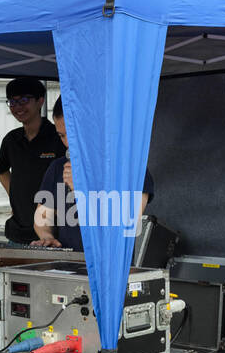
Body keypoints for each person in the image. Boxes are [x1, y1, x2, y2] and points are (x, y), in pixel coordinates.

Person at [32, 98, 154, 250]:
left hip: (108, 266)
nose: (68, 143)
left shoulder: (129, 169)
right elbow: (42, 215)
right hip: (67, 265)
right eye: (62, 136)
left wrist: (81, 191)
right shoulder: (58, 167)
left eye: (73, 134)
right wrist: (46, 236)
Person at [0, 77, 65, 243]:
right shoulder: (11, 140)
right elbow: (2, 171)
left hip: (50, 234)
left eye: (24, 100)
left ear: (40, 101)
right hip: (17, 232)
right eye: (12, 102)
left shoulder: (58, 137)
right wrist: (16, 198)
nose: (18, 107)